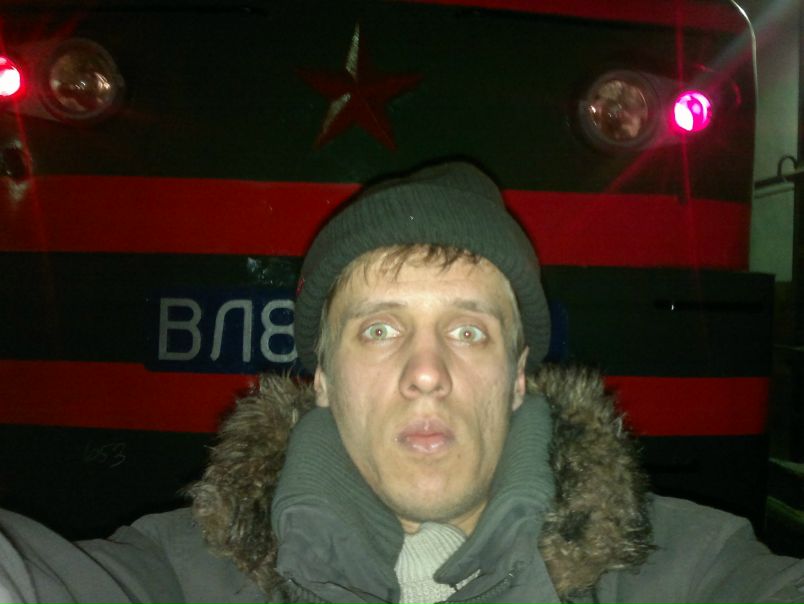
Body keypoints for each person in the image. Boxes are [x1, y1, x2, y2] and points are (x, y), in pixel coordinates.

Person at [1, 161, 803, 604]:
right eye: (379, 330)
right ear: (322, 377)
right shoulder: (183, 571)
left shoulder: (681, 566)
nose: (426, 373)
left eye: (468, 331)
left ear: (518, 378)